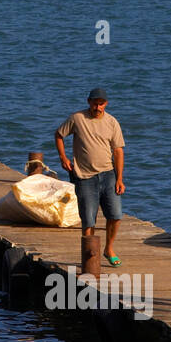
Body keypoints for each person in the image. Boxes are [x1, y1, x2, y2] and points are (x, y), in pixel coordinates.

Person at [54, 87, 125, 277]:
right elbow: (59, 135)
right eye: (95, 103)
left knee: (116, 215)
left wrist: (119, 178)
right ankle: (88, 258)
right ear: (89, 102)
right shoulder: (77, 118)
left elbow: (118, 151)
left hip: (108, 174)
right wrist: (63, 158)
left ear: (106, 104)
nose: (98, 107)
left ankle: (108, 249)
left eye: (101, 103)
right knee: (88, 218)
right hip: (84, 176)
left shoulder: (112, 122)